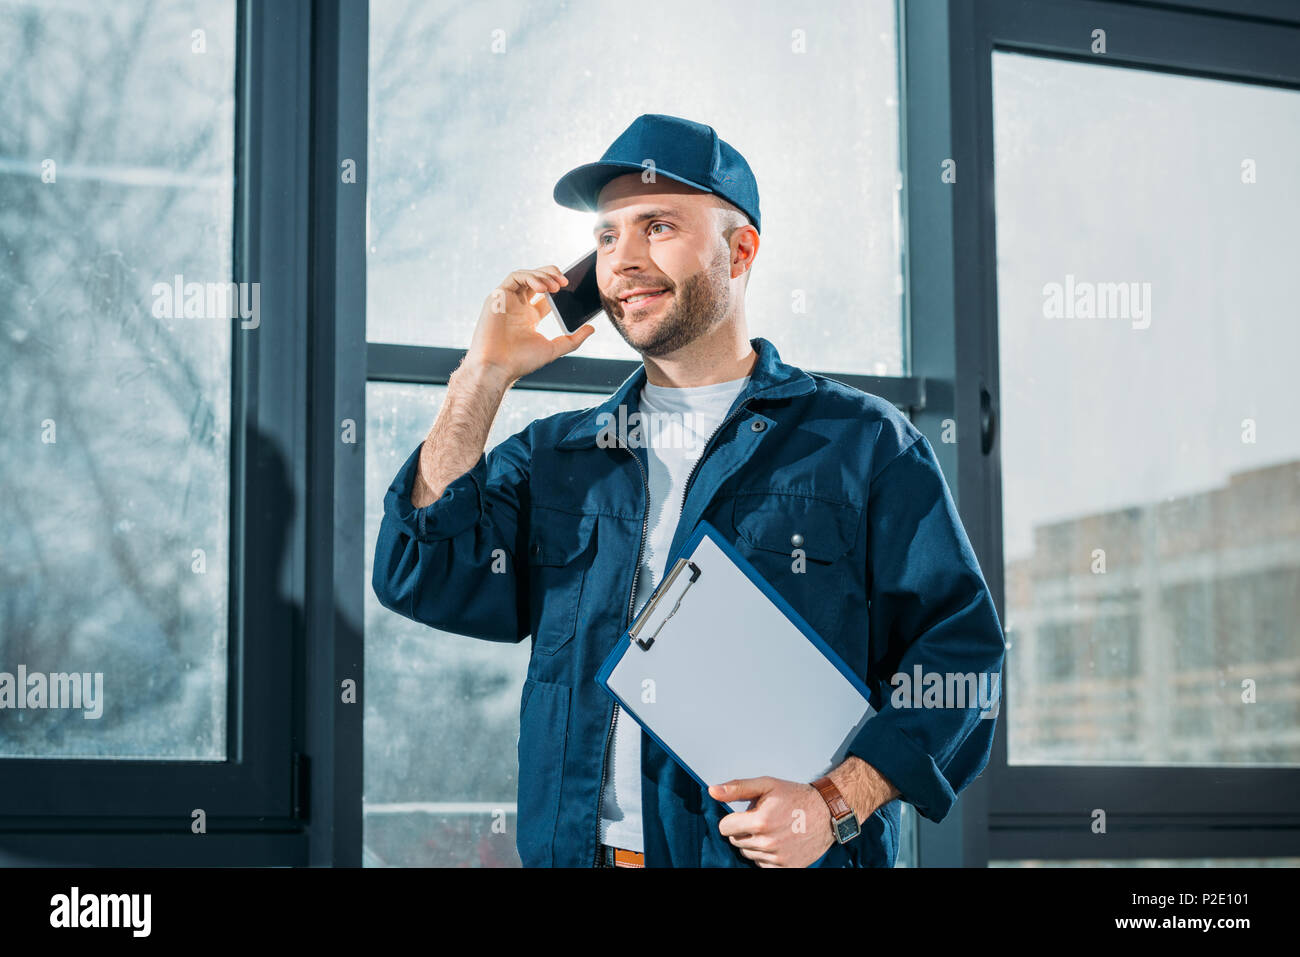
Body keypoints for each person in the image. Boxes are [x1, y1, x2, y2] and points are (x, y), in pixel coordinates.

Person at [372, 114, 1006, 868]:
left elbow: (962, 659)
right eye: (606, 237)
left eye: (658, 226)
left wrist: (836, 803)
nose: (622, 261)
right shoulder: (562, 456)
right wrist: (483, 375)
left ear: (740, 251)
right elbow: (420, 570)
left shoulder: (860, 444)